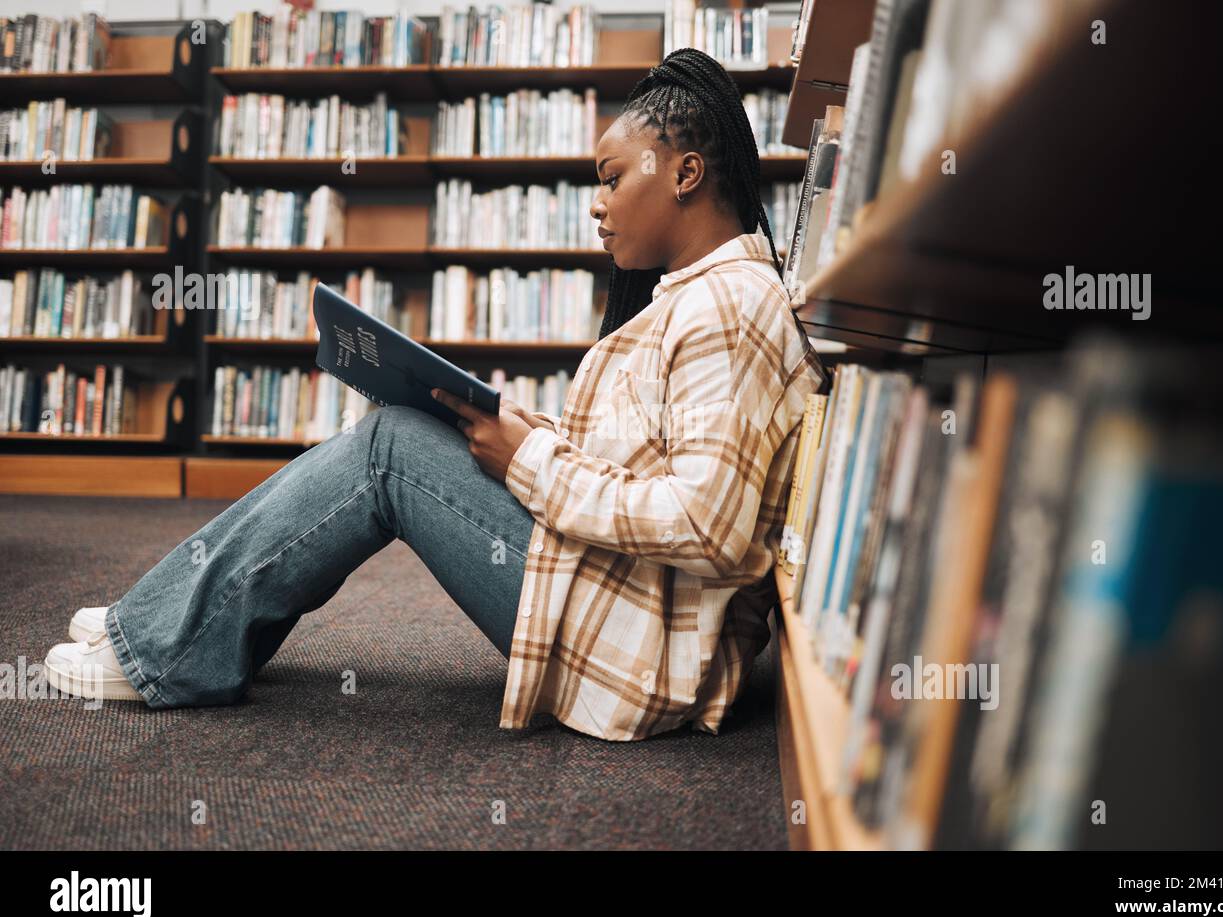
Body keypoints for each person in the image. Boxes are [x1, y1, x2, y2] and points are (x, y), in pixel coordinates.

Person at [43, 48, 829, 742]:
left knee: (389, 446)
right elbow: (651, 463)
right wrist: (529, 430)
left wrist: (531, 460)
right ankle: (174, 614)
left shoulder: (730, 307)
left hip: (632, 651)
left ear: (684, 174)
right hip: (613, 599)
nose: (597, 203)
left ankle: (169, 644)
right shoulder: (706, 297)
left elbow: (706, 525)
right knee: (411, 423)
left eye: (612, 178)